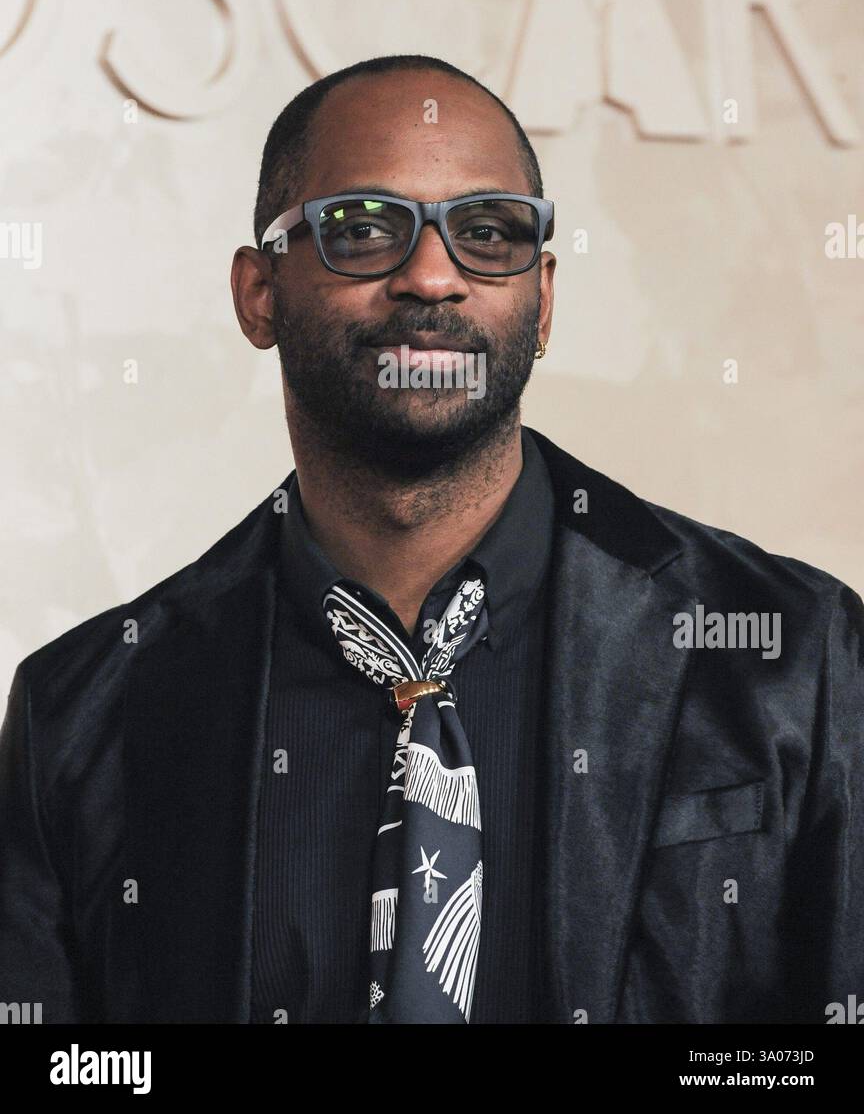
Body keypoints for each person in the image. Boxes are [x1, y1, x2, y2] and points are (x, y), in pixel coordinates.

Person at [1, 54, 862, 1025]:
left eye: (486, 232)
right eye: (363, 229)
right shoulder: (83, 713)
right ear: (259, 292)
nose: (430, 276)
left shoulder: (794, 654)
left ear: (543, 300)